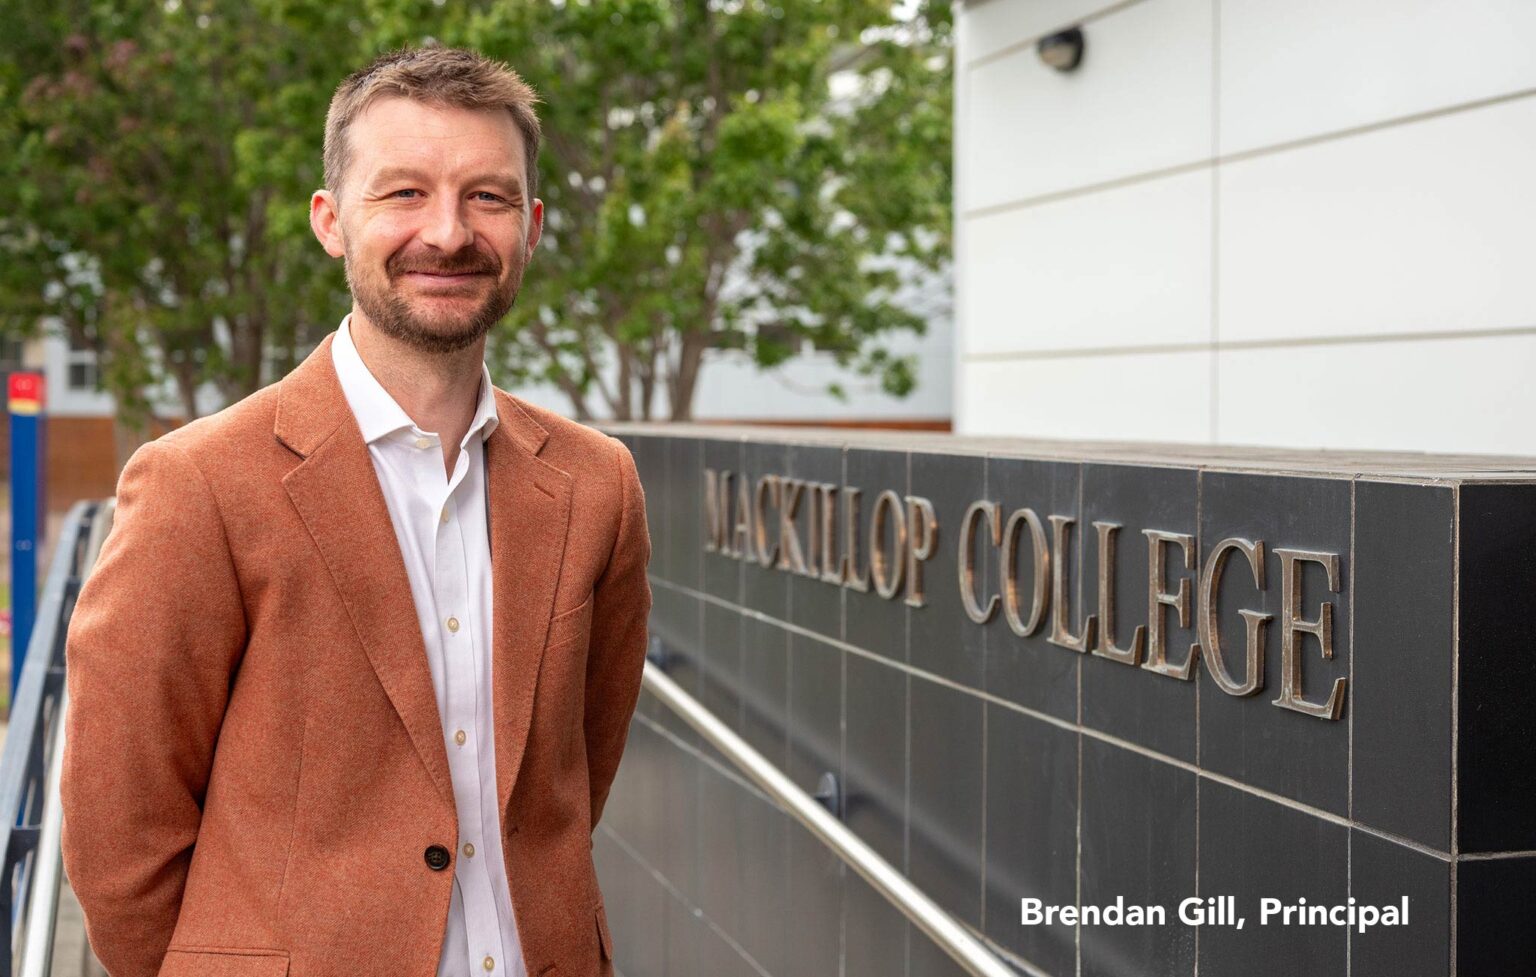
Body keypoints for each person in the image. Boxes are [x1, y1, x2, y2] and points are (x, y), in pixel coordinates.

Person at [60, 47, 650, 977]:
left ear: (532, 226)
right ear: (331, 221)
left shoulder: (597, 483)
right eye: (404, 192)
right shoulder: (197, 485)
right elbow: (118, 832)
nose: (448, 233)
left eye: (488, 197)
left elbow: (571, 779)